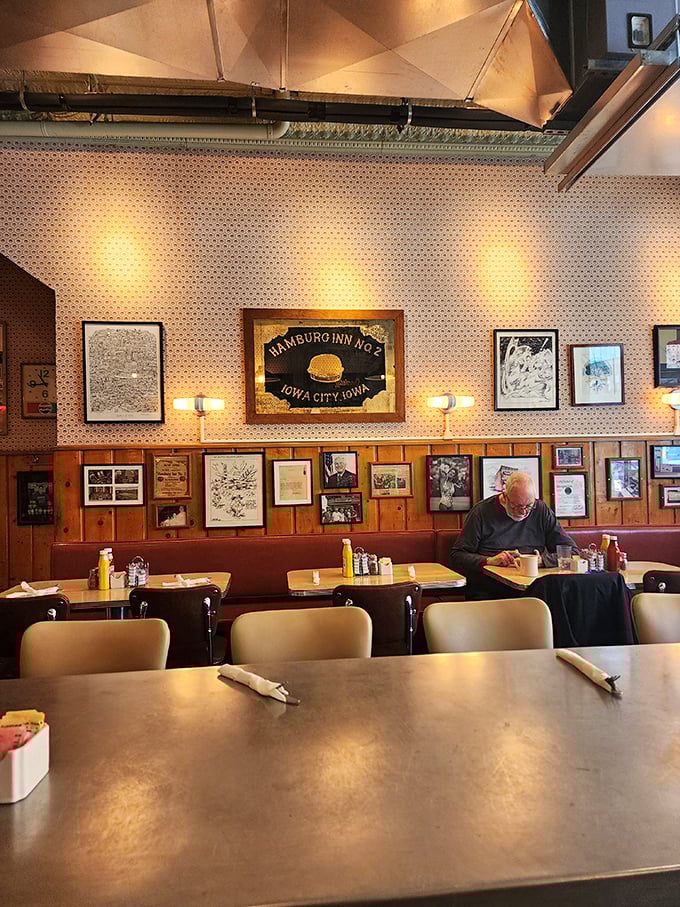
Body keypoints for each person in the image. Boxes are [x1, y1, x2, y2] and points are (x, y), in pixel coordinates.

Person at [450, 471, 578, 600]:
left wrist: (542, 561)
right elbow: (457, 555)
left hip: (532, 588)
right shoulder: (481, 513)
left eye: (528, 506)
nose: (523, 512)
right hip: (489, 589)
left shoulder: (540, 510)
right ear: (504, 497)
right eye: (516, 506)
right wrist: (489, 561)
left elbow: (572, 551)